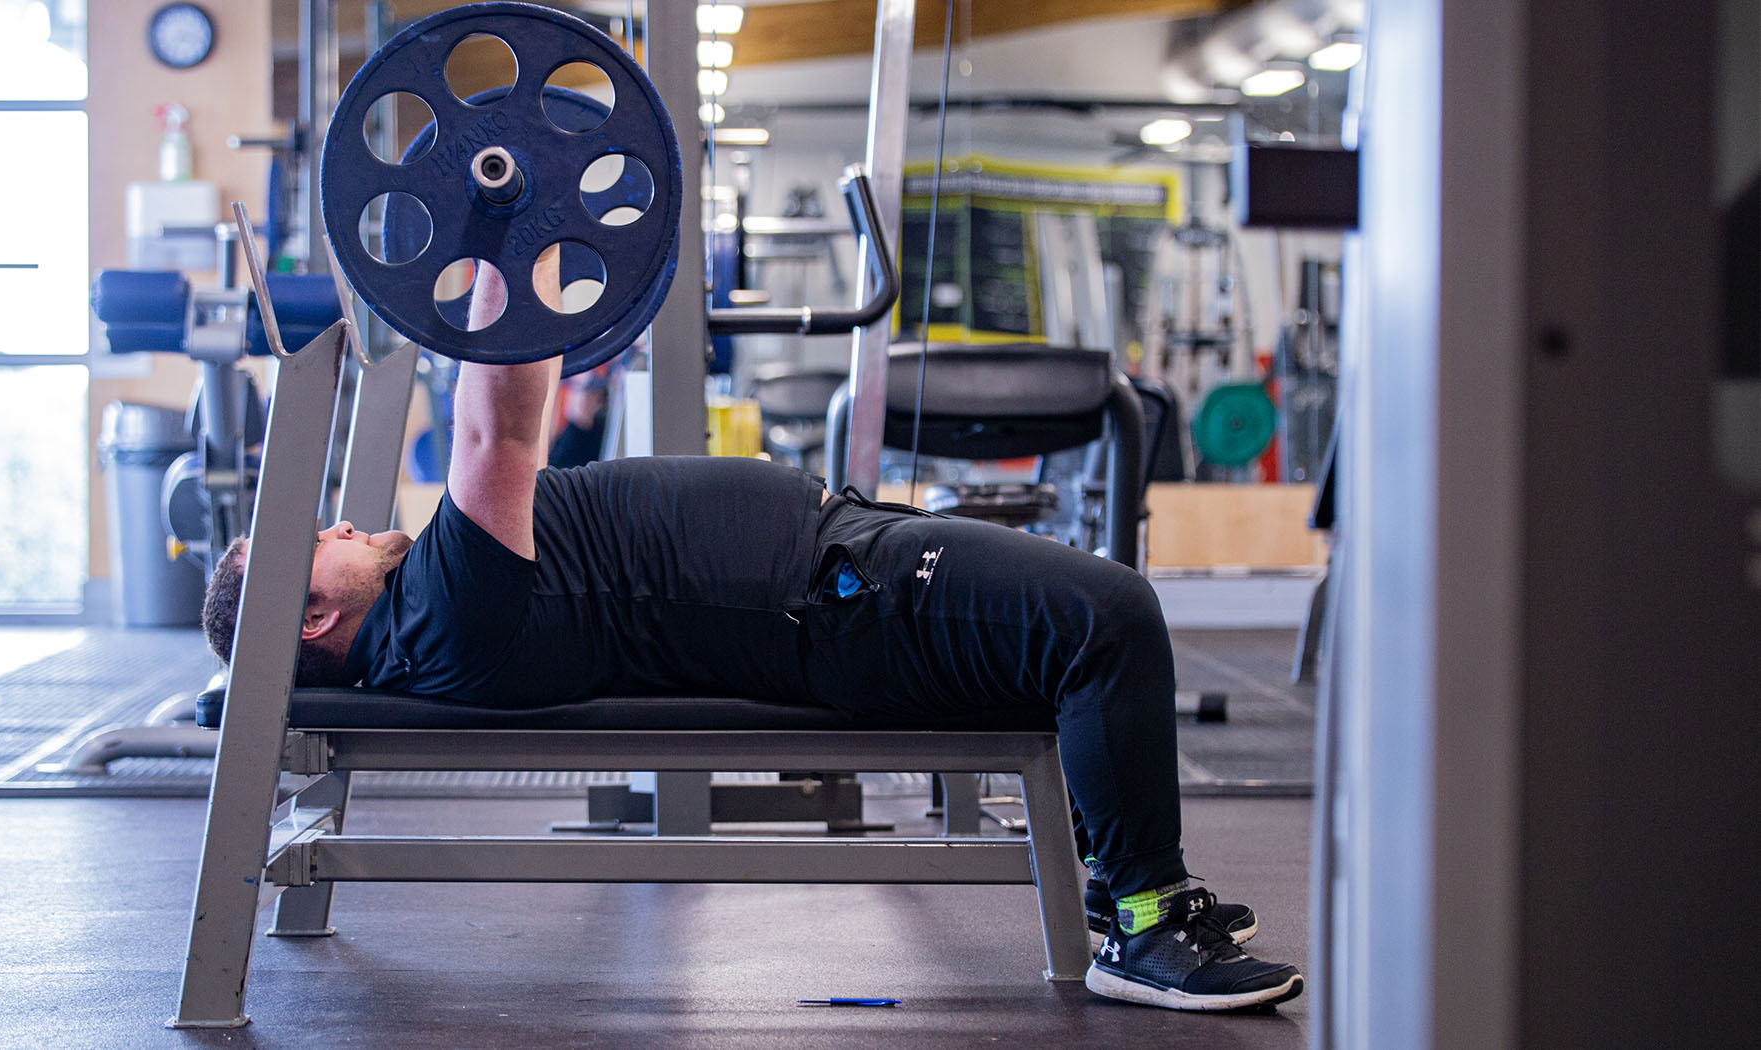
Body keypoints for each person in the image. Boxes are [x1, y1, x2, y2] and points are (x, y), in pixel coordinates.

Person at [200, 258, 1304, 1012]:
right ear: (312, 616)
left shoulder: (425, 602)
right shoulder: (439, 612)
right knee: (1105, 615)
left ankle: (1119, 885)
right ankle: (1149, 932)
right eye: (314, 534)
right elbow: (494, 422)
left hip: (842, 560)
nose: (339, 519)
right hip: (839, 601)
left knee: (1079, 616)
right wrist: (511, 225)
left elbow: (499, 413)